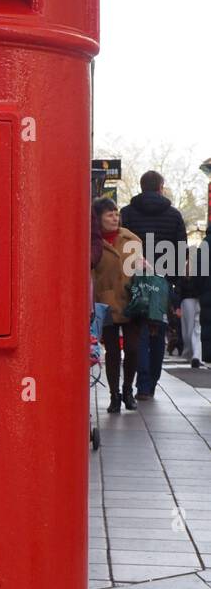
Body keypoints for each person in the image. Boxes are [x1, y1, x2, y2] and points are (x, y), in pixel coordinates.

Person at [120, 172, 187, 398]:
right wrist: (173, 283)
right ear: (161, 187)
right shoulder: (174, 215)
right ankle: (151, 383)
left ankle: (142, 383)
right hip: (162, 279)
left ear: (141, 187)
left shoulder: (127, 213)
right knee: (157, 329)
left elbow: (122, 245)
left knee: (138, 330)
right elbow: (180, 252)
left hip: (134, 277)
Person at [92, 198, 143, 413]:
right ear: (98, 218)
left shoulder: (131, 239)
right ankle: (114, 395)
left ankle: (128, 389)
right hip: (106, 302)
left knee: (131, 349)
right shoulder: (94, 243)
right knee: (112, 351)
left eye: (116, 213)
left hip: (132, 302)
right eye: (109, 214)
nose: (114, 218)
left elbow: (141, 270)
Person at [179, 245, 203, 368]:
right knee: (197, 329)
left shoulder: (184, 269)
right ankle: (196, 354)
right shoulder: (200, 267)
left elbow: (180, 287)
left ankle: (191, 352)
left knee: (188, 329)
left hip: (187, 300)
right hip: (198, 299)